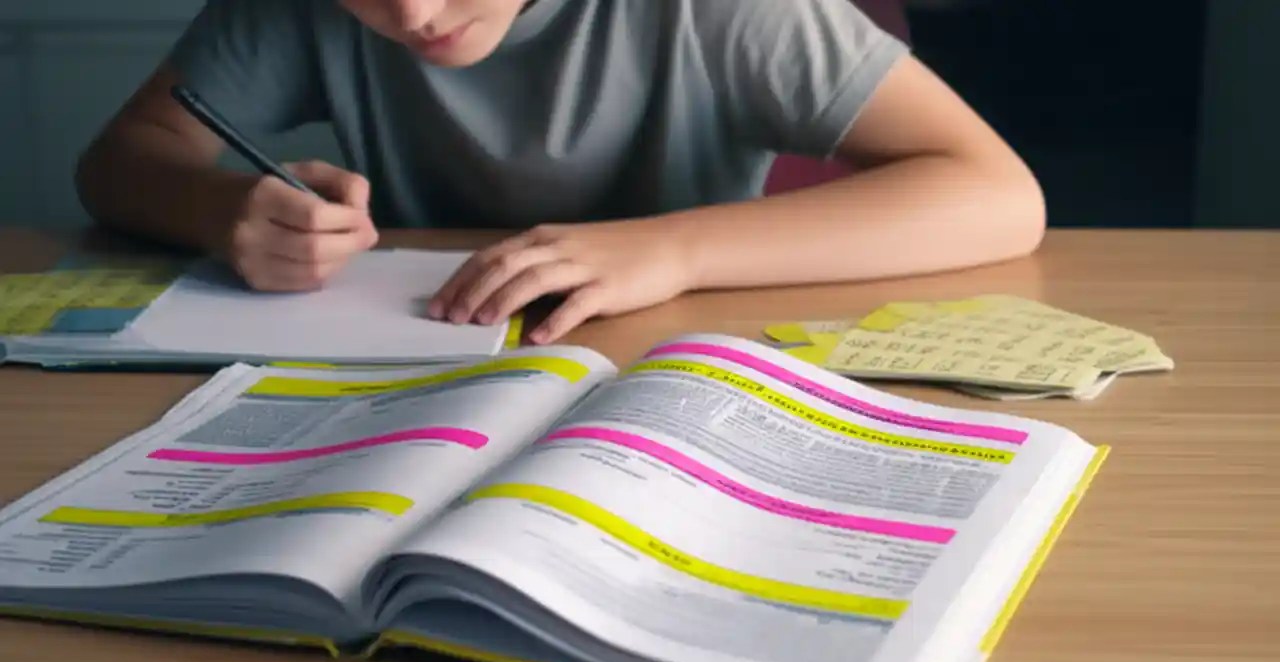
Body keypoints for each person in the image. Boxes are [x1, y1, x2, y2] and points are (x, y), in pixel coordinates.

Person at [75, 0, 1046, 345]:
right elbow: (119, 161)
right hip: (408, 374)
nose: (415, 13)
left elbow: (997, 192)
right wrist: (221, 208)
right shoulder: (294, 9)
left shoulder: (721, 8)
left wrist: (671, 250)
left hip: (672, 372)